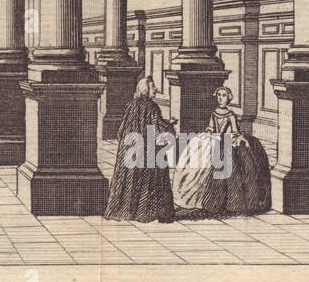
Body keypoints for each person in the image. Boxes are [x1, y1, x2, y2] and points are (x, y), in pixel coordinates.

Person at [172, 85, 271, 216]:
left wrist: (237, 138)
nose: (220, 98)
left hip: (225, 140)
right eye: (219, 95)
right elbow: (211, 128)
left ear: (228, 98)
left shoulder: (231, 115)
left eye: (223, 95)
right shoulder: (214, 113)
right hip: (214, 139)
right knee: (198, 152)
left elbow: (235, 131)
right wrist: (208, 132)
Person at [104, 75, 176, 223]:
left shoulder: (132, 105)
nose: (155, 89)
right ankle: (148, 212)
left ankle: (125, 211)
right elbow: (157, 129)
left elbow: (122, 129)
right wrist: (170, 125)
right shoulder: (151, 106)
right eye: (152, 86)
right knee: (152, 176)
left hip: (131, 148)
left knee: (129, 180)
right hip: (147, 150)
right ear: (145, 89)